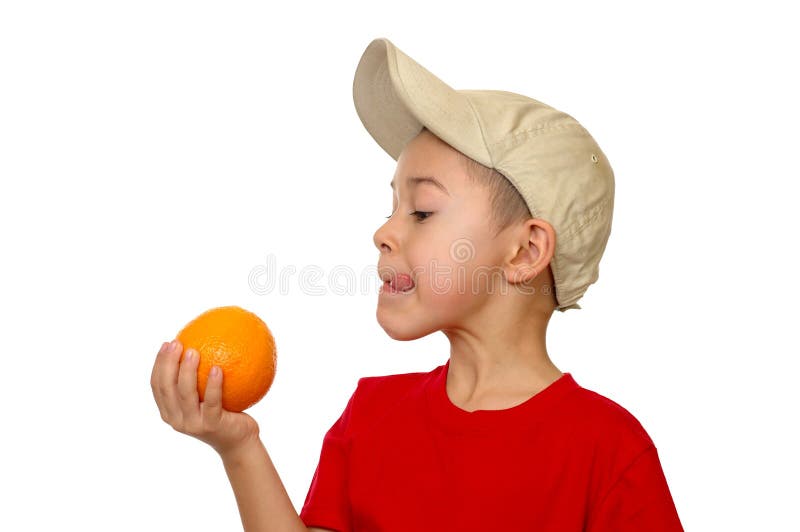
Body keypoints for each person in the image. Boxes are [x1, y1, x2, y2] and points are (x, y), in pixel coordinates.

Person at [150, 37, 684, 531]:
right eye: (393, 208)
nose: (384, 232)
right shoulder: (371, 415)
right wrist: (239, 448)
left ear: (525, 251)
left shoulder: (610, 451)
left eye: (423, 212)